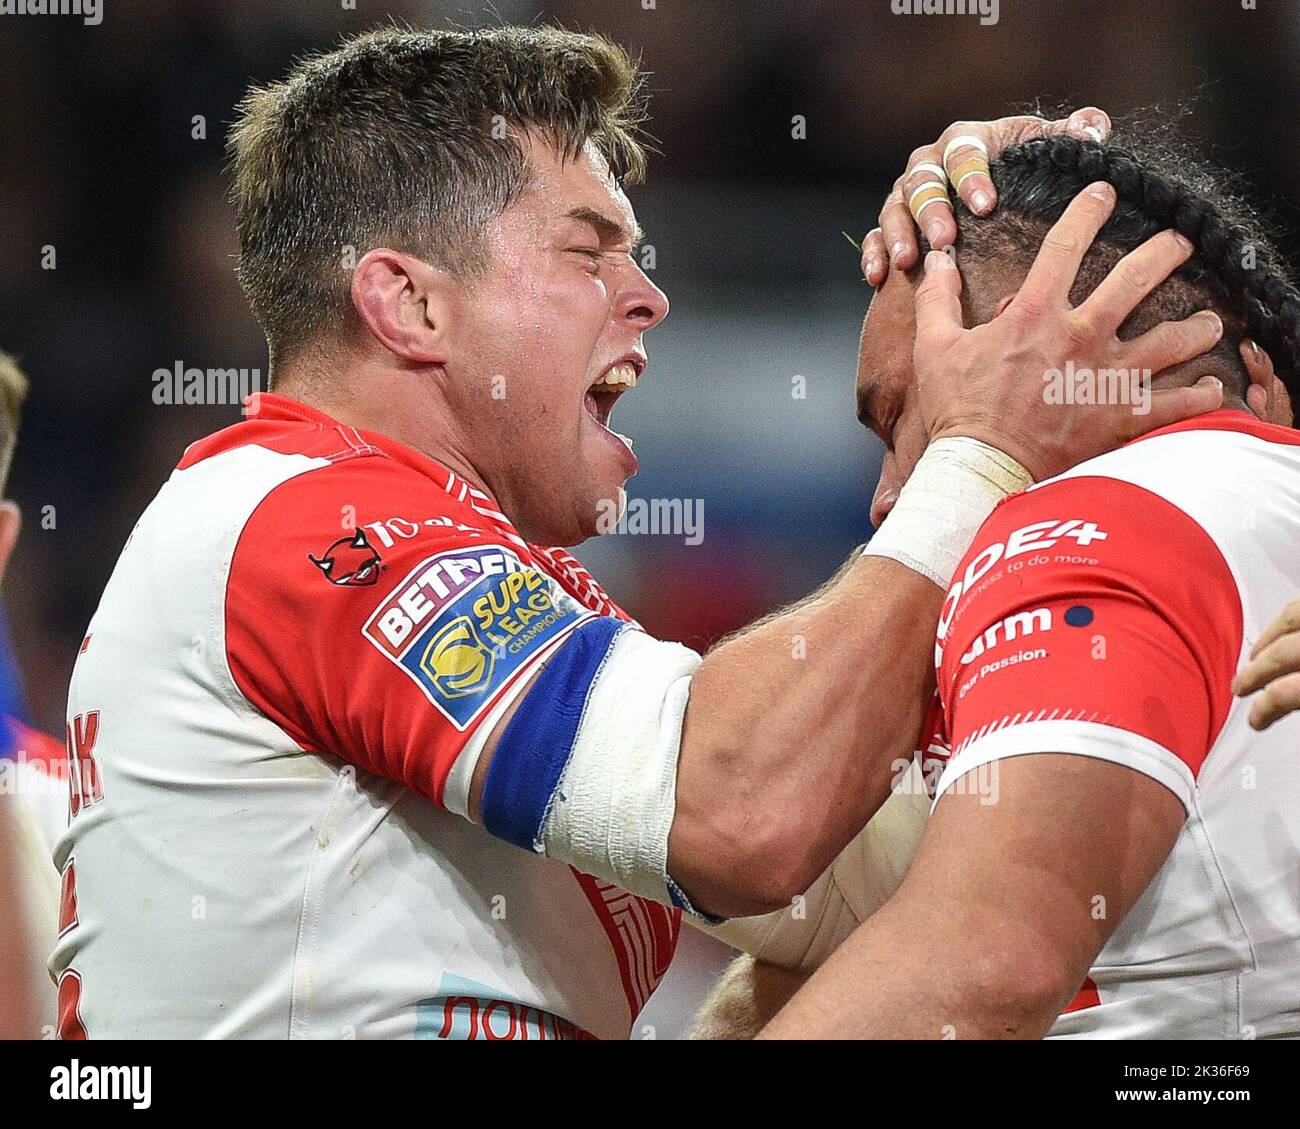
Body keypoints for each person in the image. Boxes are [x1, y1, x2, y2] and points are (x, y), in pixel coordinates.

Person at [53, 28, 1225, 1040]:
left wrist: (999, 228)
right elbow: (745, 818)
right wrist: (975, 451)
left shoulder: (527, 595)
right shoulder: (303, 509)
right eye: (586, 249)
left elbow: (861, 870)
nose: (648, 291)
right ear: (408, 304)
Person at [755, 127, 1300, 1039]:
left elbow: (979, 970)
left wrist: (984, 455)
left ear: (1033, 346)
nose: (888, 498)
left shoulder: (1089, 519)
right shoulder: (1252, 513)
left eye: (898, 419)